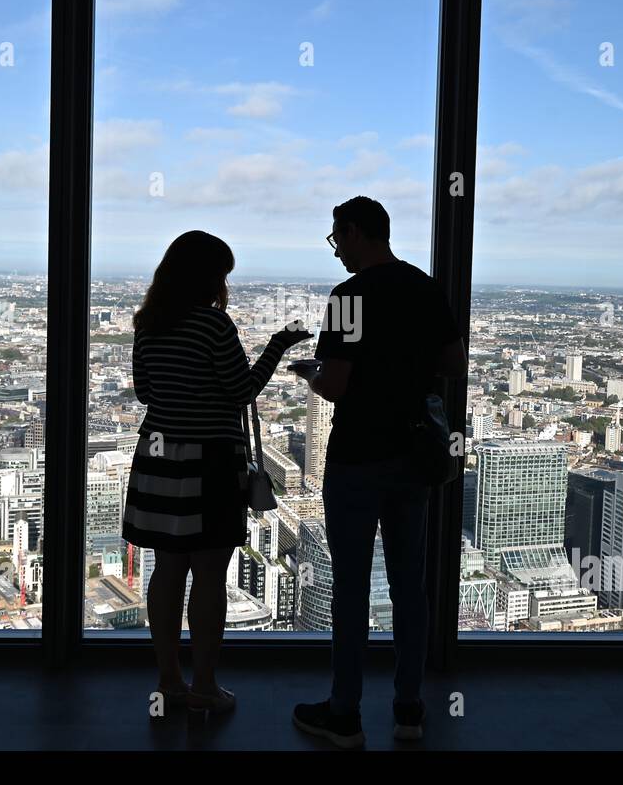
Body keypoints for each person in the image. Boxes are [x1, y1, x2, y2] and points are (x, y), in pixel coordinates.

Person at [291, 196, 466, 748]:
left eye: (337, 237)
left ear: (360, 234)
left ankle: (345, 714)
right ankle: (409, 709)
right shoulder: (425, 287)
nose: (336, 248)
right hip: (413, 456)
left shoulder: (348, 298)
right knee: (409, 586)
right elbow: (453, 364)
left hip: (357, 456)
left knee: (350, 587)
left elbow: (337, 384)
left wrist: (309, 373)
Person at [124, 230, 310, 715]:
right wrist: (277, 346)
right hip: (209, 461)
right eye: (221, 275)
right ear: (207, 277)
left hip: (159, 458)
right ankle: (204, 684)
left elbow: (144, 392)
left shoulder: (148, 323)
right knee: (209, 575)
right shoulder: (214, 326)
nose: (223, 286)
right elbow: (241, 389)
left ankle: (168, 683)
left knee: (167, 571)